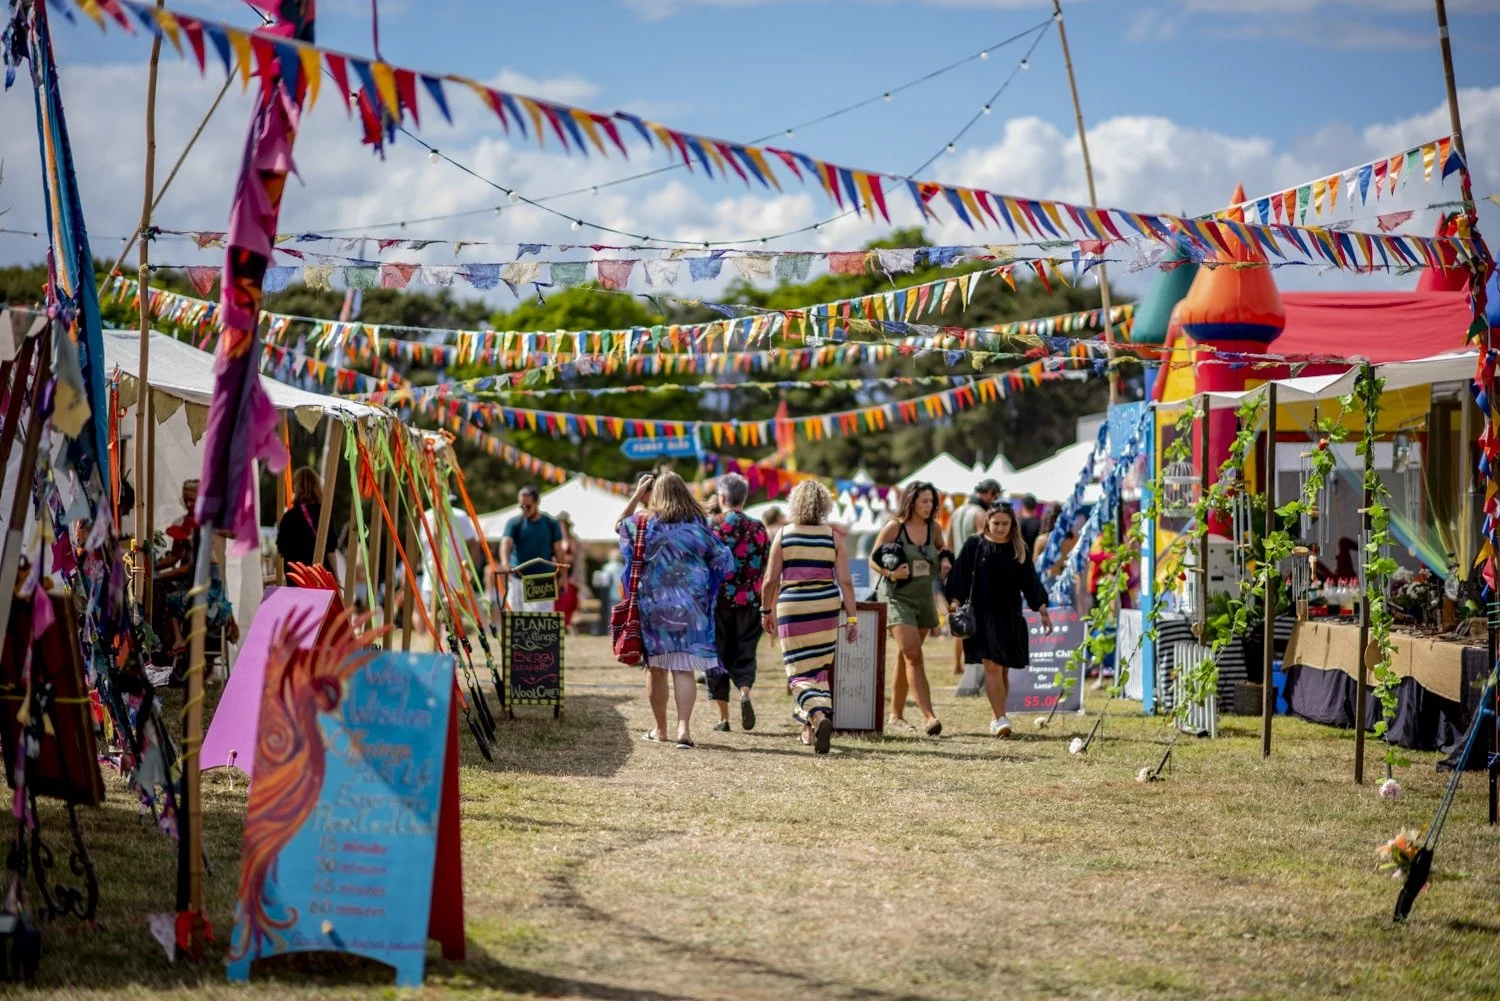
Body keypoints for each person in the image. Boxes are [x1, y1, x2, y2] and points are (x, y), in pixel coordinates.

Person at [617, 472, 733, 749]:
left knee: (656, 668)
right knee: (684, 670)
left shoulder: (644, 522)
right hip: (691, 605)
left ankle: (660, 729)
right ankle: (684, 730)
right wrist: (706, 586)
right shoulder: (698, 524)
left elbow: (619, 525)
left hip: (654, 605)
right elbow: (721, 557)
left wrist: (636, 494)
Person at [761, 481, 858, 755]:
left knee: (797, 673)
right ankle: (812, 725)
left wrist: (765, 610)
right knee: (818, 670)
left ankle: (817, 715)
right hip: (826, 606)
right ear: (824, 505)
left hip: (793, 606)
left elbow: (770, 580)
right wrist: (852, 619)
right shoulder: (833, 538)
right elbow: (847, 582)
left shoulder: (783, 535)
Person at [946, 505, 1052, 737]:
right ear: (987, 523)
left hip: (1010, 616)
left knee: (1002, 669)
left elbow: (1030, 581)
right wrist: (954, 601)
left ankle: (997, 716)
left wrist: (1042, 607)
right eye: (996, 523)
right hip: (982, 616)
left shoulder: (1018, 548)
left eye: (1005, 524)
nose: (1001, 528)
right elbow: (959, 574)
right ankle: (1002, 718)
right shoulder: (974, 545)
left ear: (1012, 524)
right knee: (992, 666)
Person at [870, 481, 952, 735]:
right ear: (912, 501)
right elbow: (873, 559)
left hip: (923, 598)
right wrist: (891, 573)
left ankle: (895, 715)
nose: (929, 506)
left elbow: (942, 547)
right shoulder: (895, 527)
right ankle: (930, 716)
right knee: (914, 656)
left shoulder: (934, 528)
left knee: (906, 656)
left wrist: (946, 558)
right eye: (925, 501)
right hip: (897, 597)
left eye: (932, 502)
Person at [708, 473, 770, 732]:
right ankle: (744, 692)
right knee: (745, 654)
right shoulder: (759, 528)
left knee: (717, 656)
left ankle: (723, 718)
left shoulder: (712, 525)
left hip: (717, 602)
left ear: (722, 497)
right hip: (750, 602)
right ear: (743, 498)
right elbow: (766, 565)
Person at [157, 479, 237, 657]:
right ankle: (178, 642)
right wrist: (154, 565)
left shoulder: (207, 526)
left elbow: (188, 568)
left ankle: (181, 644)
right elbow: (174, 557)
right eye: (186, 500)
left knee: (172, 600)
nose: (188, 504)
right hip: (190, 583)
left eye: (193, 500)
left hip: (208, 587)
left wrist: (158, 576)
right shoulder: (183, 523)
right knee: (168, 597)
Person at [949, 478, 999, 679]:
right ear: (988, 493)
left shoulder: (956, 512)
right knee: (978, 618)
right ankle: (975, 664)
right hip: (975, 571)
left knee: (961, 617)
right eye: (994, 496)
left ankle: (956, 665)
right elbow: (984, 542)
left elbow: (949, 544)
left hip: (958, 569)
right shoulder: (980, 514)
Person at [499, 485, 565, 614]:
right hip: (519, 577)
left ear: (537, 502)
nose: (525, 509)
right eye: (521, 506)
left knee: (541, 618)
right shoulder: (515, 523)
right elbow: (506, 543)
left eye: (528, 506)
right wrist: (505, 562)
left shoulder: (550, 523)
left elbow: (559, 550)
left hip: (543, 579)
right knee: (516, 616)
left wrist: (563, 575)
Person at [275, 466, 325, 569]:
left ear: (296, 487)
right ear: (317, 486)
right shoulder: (324, 514)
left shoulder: (288, 517)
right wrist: (336, 577)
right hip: (319, 575)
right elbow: (330, 550)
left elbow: (281, 552)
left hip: (295, 576)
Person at [554, 512, 581, 628]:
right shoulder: (554, 539)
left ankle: (565, 624)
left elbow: (573, 559)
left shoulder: (572, 540)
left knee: (568, 601)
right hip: (556, 576)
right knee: (557, 603)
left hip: (569, 577)